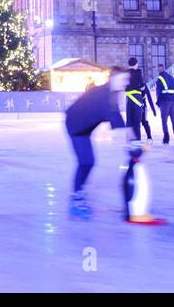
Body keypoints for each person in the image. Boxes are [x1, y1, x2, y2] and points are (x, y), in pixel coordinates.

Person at [63, 66, 129, 219]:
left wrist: (132, 138)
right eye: (123, 79)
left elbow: (117, 117)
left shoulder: (112, 93)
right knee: (85, 161)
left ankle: (79, 191)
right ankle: (76, 199)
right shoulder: (104, 95)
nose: (126, 83)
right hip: (75, 125)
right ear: (113, 78)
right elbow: (115, 121)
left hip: (84, 128)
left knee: (89, 161)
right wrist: (130, 143)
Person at [124, 60, 155, 142]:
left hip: (128, 99)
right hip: (138, 99)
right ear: (136, 64)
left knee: (129, 121)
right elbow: (142, 87)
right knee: (138, 122)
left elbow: (124, 87)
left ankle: (129, 139)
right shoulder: (138, 73)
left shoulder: (125, 74)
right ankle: (138, 140)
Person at [153, 64, 174, 144]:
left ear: (159, 70)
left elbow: (158, 93)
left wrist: (158, 103)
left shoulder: (159, 79)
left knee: (164, 121)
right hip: (173, 101)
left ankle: (166, 139)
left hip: (165, 102)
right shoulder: (171, 78)